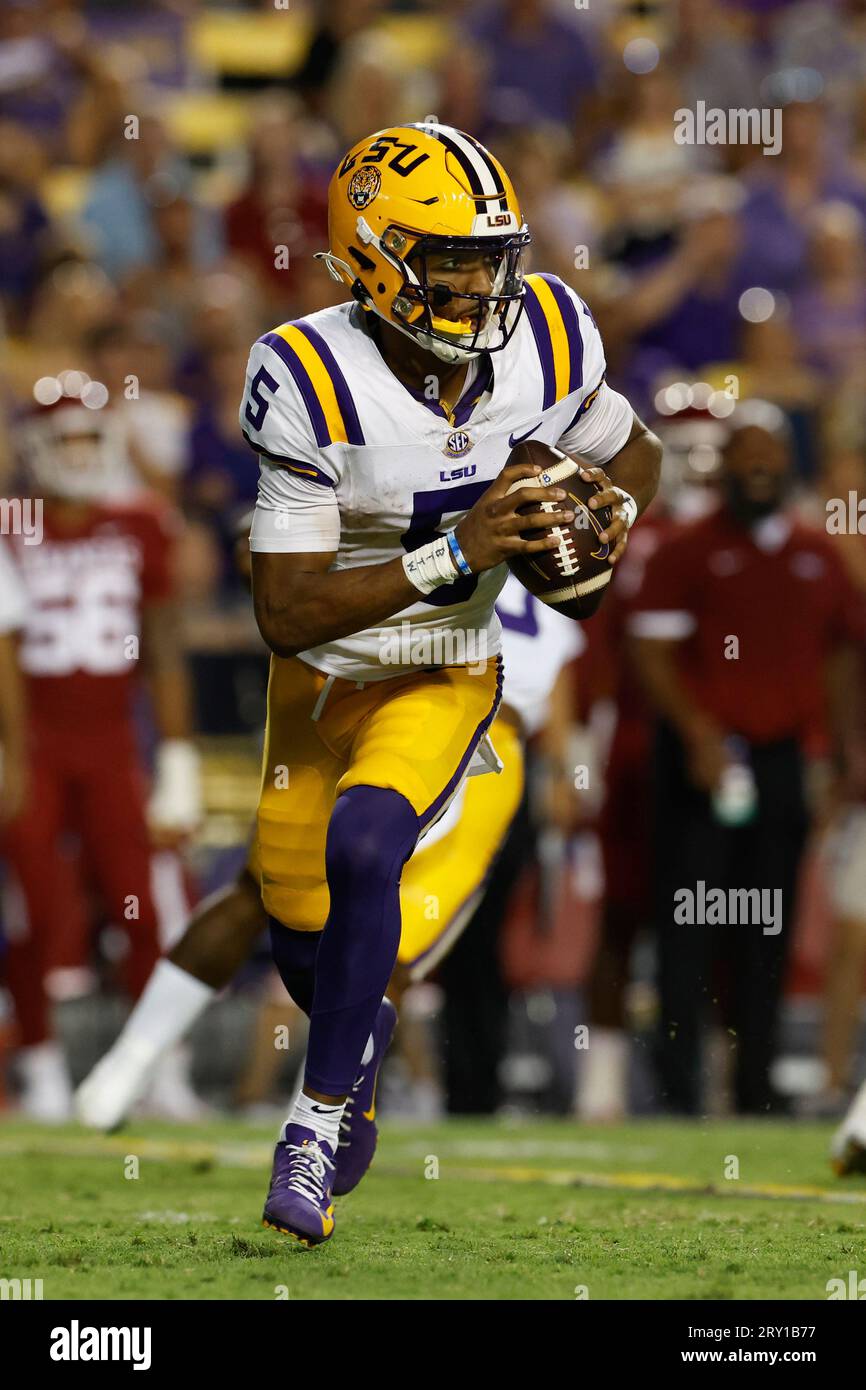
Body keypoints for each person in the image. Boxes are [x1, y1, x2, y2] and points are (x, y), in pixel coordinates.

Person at [241, 122, 660, 1247]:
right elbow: (283, 613)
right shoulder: (307, 373)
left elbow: (639, 454)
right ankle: (355, 1062)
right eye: (451, 260)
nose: (480, 285)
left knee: (368, 845)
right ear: (374, 256)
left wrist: (605, 509)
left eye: (491, 257)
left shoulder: (549, 340)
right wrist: (458, 550)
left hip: (443, 666)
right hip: (315, 683)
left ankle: (312, 1126)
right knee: (298, 932)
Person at [75, 573, 582, 1141]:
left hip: (374, 703)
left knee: (256, 896)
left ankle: (126, 1066)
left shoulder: (437, 509)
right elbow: (558, 674)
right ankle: (313, 1123)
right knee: (388, 942)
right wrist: (562, 770)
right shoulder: (544, 544)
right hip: (476, 731)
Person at [630, 400, 864, 1115]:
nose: (759, 469)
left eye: (770, 457)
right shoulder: (688, 551)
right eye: (747, 456)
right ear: (725, 466)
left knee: (767, 928)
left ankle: (756, 1090)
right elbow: (652, 651)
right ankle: (677, 1092)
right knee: (688, 929)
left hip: (782, 760)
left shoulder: (815, 556)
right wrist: (697, 731)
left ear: (787, 465)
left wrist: (838, 754)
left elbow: (842, 658)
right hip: (703, 757)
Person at [0, 378, 202, 1120]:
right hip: (34, 744)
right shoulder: (9, 520)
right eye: (66, 441)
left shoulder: (141, 521)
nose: (80, 455)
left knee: (143, 911)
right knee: (37, 912)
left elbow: (166, 645)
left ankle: (161, 1067)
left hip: (114, 740)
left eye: (92, 438)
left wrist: (177, 757)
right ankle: (42, 1064)